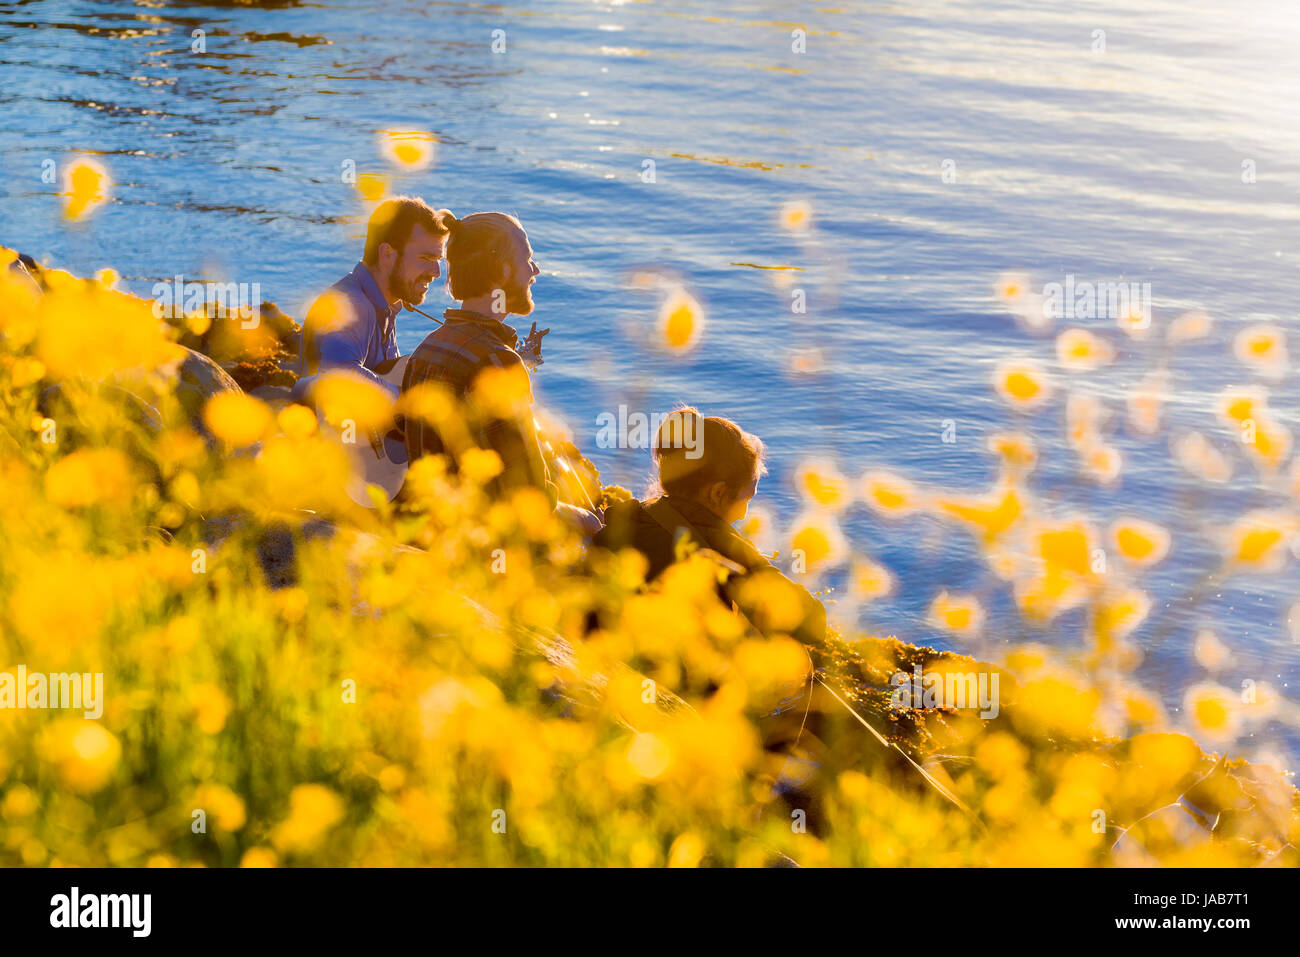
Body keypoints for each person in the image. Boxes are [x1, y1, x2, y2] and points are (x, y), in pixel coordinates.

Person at [400, 211, 601, 534]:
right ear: (501, 271)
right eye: (527, 260)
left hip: (430, 529)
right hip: (481, 539)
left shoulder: (425, 351)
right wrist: (581, 517)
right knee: (593, 526)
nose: (534, 271)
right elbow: (532, 492)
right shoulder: (498, 361)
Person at [592, 408, 826, 646]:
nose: (745, 512)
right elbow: (811, 625)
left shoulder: (624, 520)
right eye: (745, 499)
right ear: (717, 493)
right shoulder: (726, 553)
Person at [299, 196, 452, 400]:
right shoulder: (350, 304)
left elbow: (383, 373)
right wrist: (407, 406)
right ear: (387, 254)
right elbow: (338, 375)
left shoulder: (384, 304)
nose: (436, 272)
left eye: (438, 260)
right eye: (425, 258)